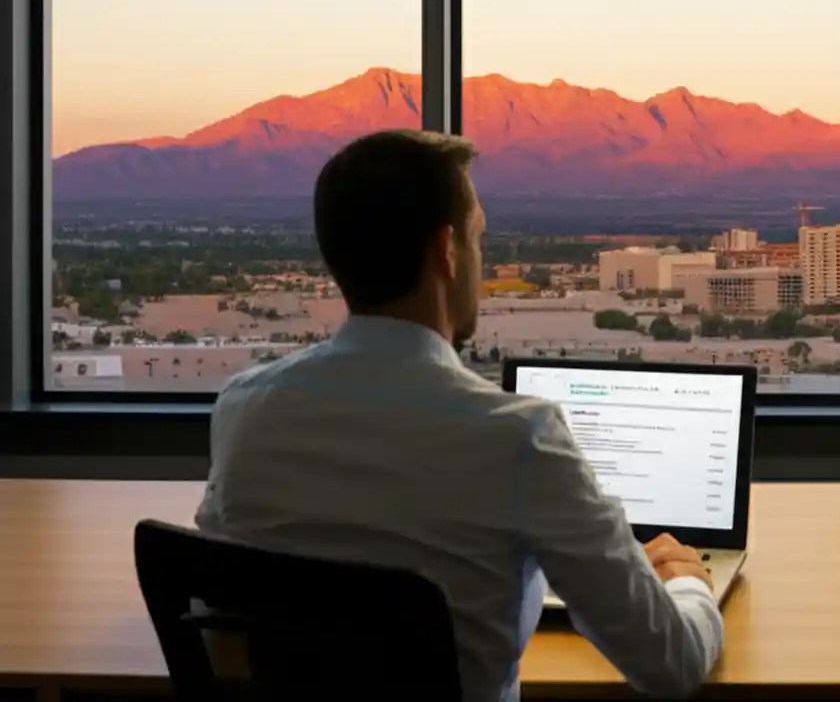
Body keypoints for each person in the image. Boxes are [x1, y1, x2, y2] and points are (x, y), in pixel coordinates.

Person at [196, 130, 723, 700]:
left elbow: (214, 605)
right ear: (447, 251)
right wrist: (687, 582)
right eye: (479, 239)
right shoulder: (519, 438)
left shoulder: (245, 411)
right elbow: (671, 666)